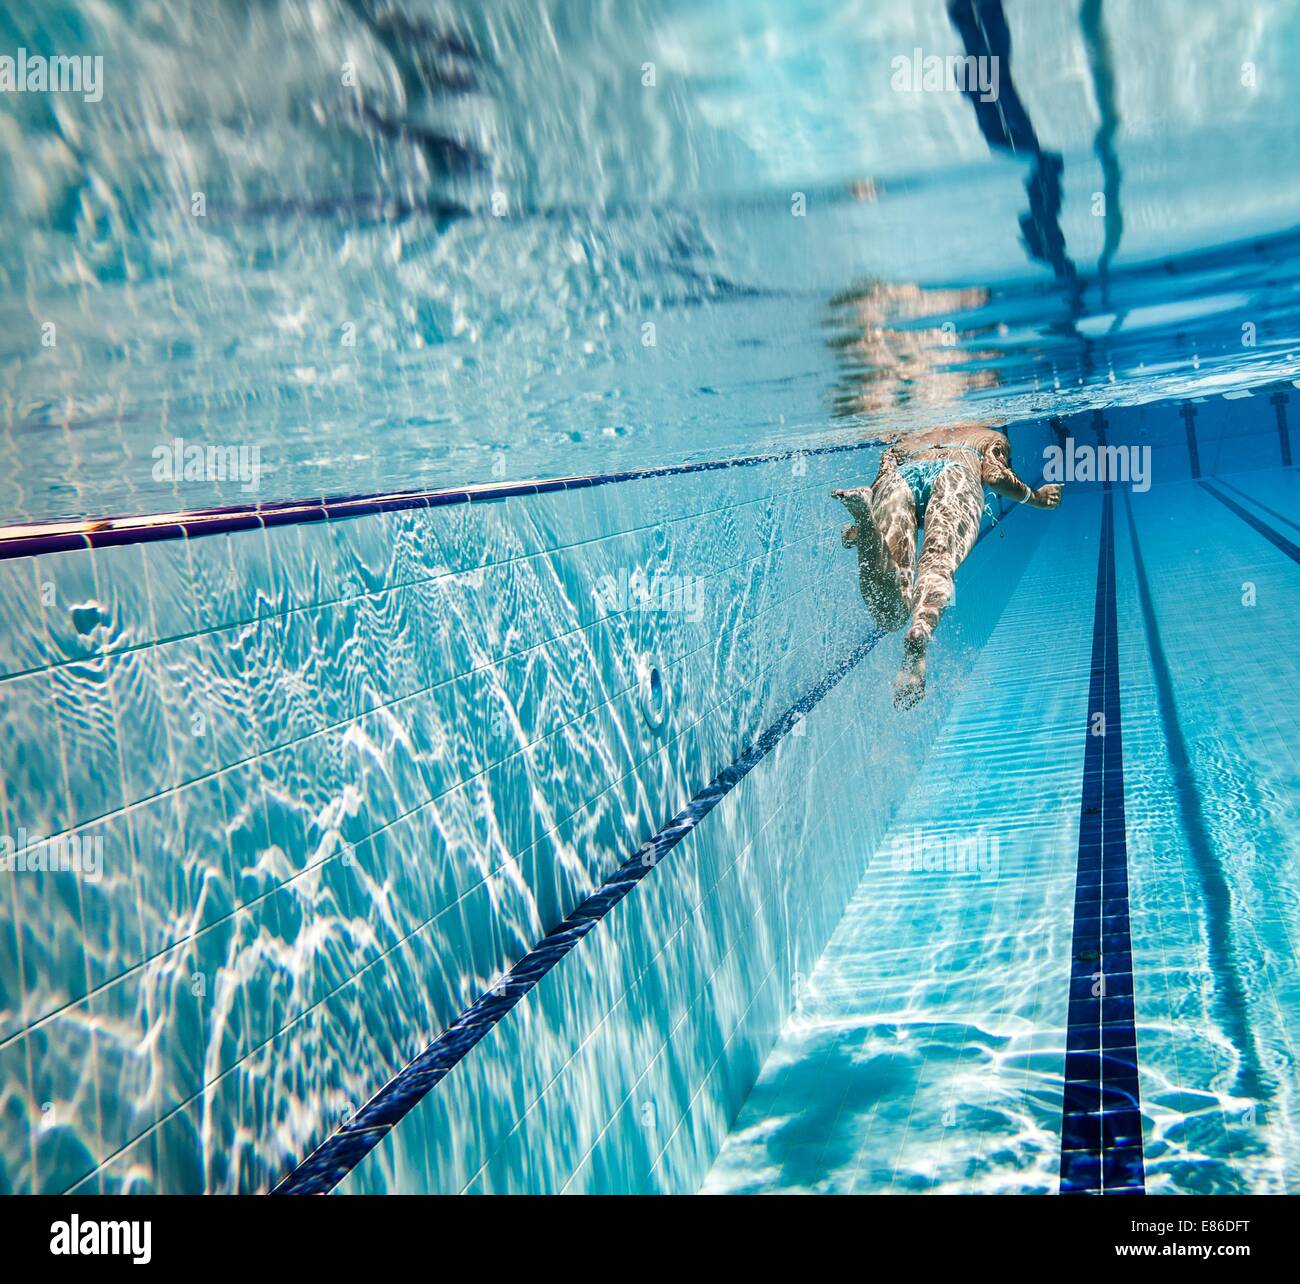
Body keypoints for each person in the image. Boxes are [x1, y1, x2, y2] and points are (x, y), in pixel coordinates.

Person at [833, 423, 1063, 709]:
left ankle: (867, 525)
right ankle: (920, 631)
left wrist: (862, 527)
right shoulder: (989, 436)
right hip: (956, 475)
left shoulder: (904, 438)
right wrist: (1037, 498)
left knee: (889, 613)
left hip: (899, 481)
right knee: (938, 564)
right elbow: (994, 476)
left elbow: (881, 483)